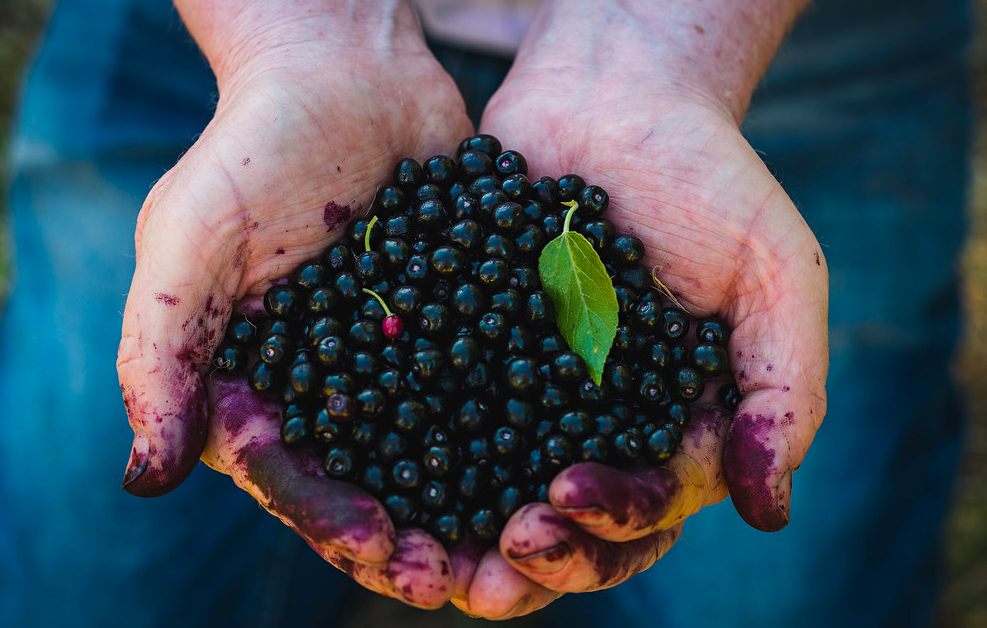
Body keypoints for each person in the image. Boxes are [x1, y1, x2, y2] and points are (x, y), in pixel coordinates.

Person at [0, 0, 968, 626]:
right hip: (230, 31)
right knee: (97, 580)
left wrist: (659, 42)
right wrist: (297, 39)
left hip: (776, 43)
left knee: (789, 596)